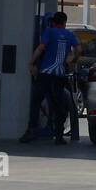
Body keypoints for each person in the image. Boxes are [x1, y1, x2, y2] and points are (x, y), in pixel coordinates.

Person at [21, 11, 80, 144]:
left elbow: (41, 48)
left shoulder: (49, 32)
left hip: (45, 73)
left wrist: (31, 63)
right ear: (65, 22)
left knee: (36, 101)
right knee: (59, 105)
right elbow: (79, 50)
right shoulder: (70, 35)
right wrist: (73, 61)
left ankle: (31, 131)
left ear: (53, 22)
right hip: (60, 75)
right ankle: (58, 136)